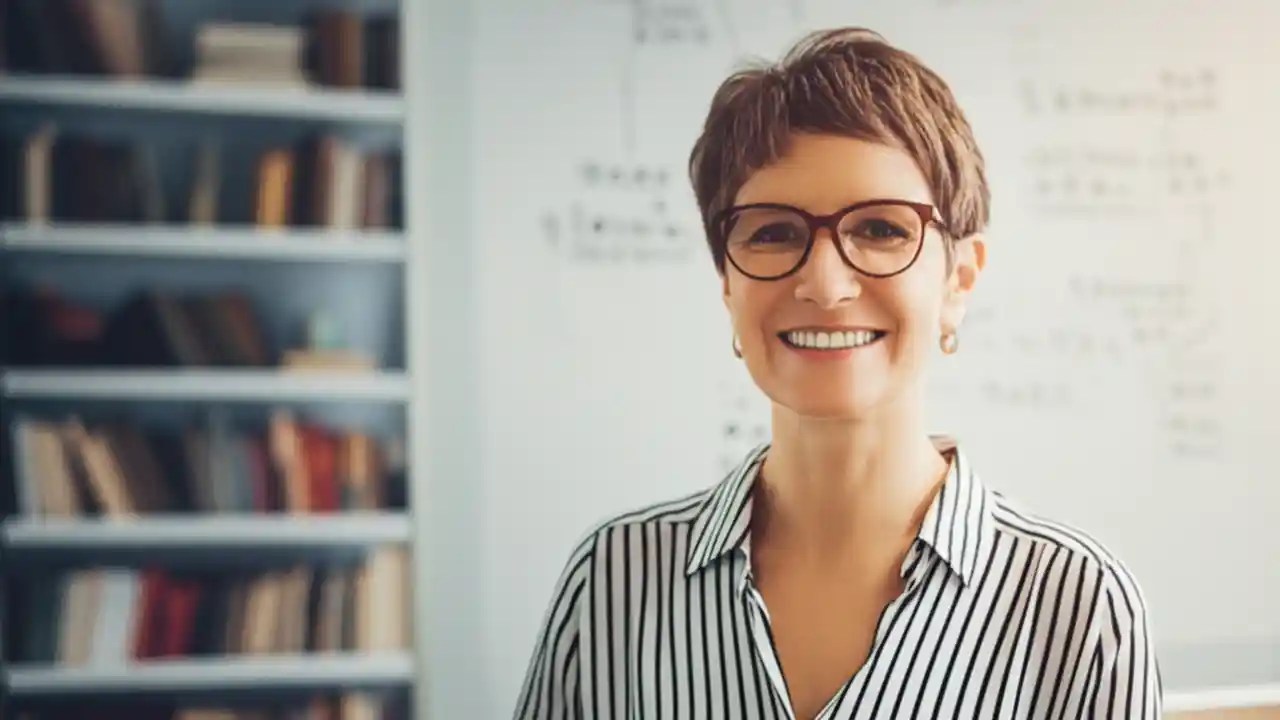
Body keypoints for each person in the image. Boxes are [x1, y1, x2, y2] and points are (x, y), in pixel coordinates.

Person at [514, 27, 1161, 719]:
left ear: (959, 279)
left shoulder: (1080, 605)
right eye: (772, 232)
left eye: (882, 229)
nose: (824, 283)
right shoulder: (613, 582)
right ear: (727, 284)